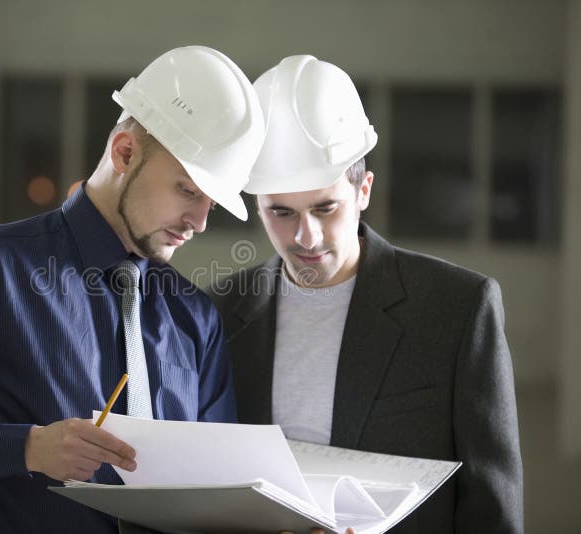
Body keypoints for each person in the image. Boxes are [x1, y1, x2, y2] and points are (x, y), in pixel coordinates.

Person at [0, 45, 266, 534]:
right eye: (188, 190)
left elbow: (218, 492)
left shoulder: (195, 317)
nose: (199, 222)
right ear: (125, 151)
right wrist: (26, 448)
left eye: (212, 204)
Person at [208, 55, 524, 533]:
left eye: (325, 207)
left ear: (364, 191)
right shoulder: (218, 311)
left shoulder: (457, 308)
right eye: (282, 214)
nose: (306, 238)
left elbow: (491, 505)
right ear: (257, 206)